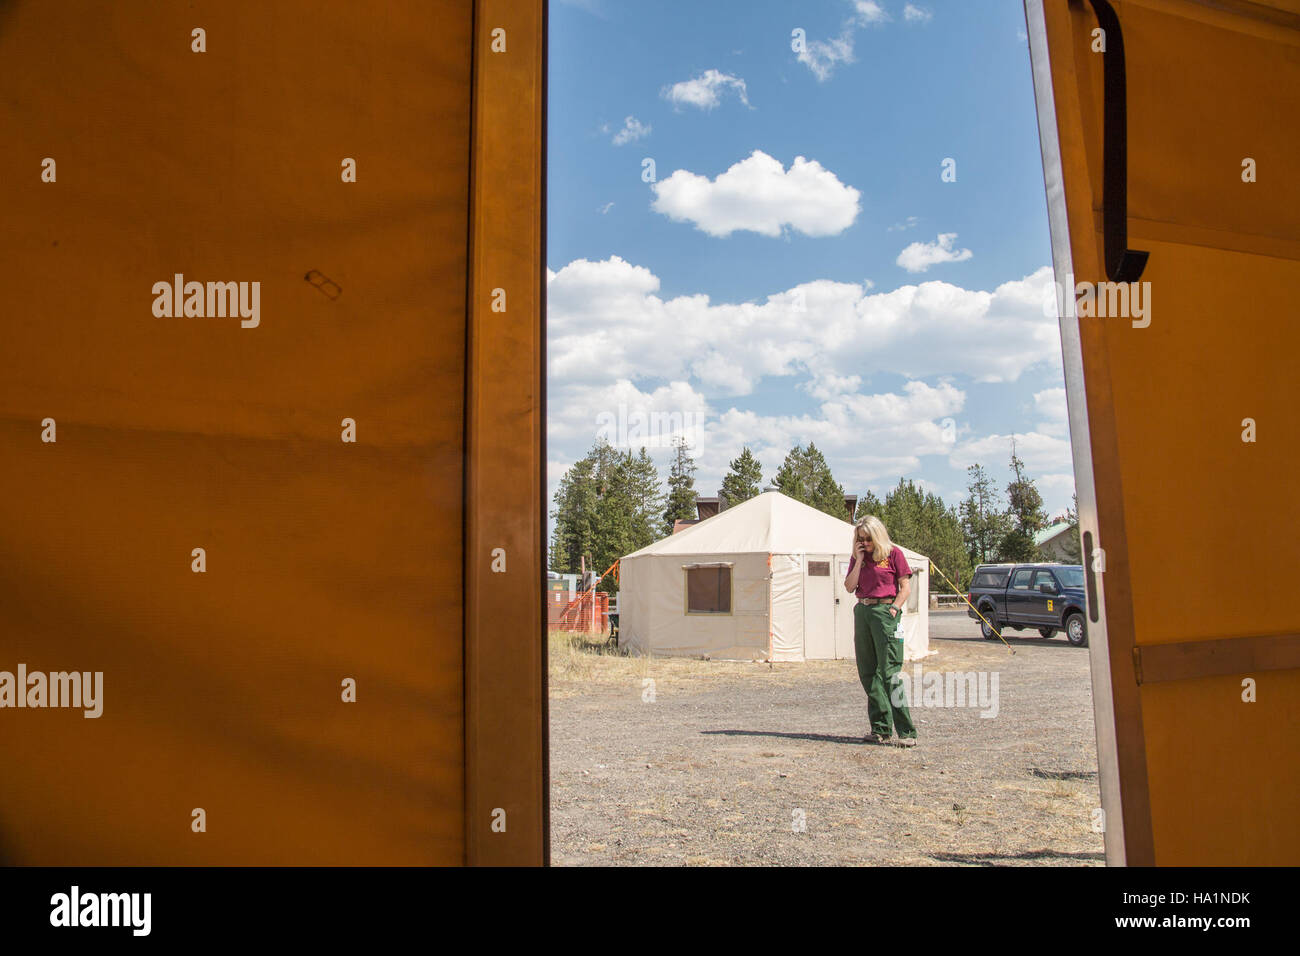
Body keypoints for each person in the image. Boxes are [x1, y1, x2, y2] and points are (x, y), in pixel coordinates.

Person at [844, 516, 917, 747]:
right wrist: (858, 561)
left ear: (877, 536)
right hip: (863, 611)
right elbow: (849, 587)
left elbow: (905, 587)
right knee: (868, 672)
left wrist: (894, 608)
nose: (865, 543)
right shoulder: (858, 558)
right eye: (860, 539)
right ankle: (880, 729)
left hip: (885, 612)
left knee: (889, 673)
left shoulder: (893, 554)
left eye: (868, 539)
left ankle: (906, 732)